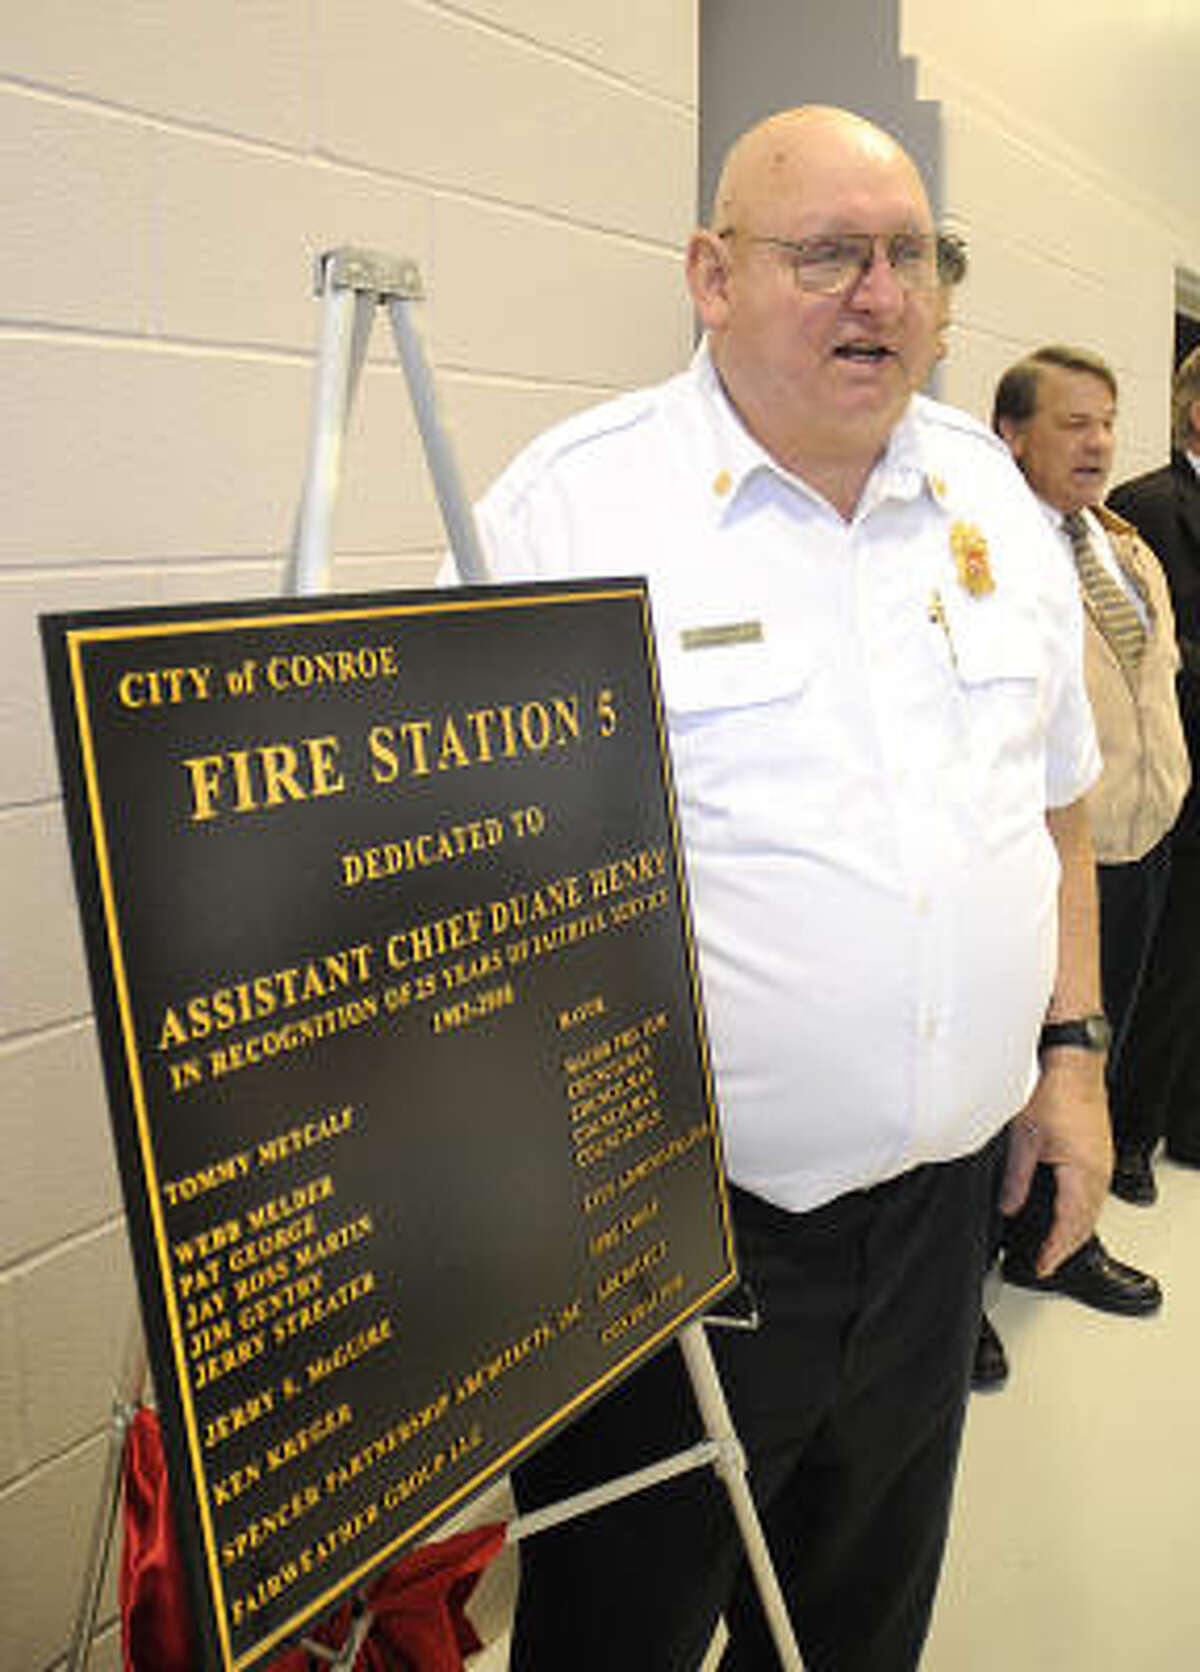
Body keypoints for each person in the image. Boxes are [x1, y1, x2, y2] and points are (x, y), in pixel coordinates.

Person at [461, 107, 1111, 1672]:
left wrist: (1072, 1063)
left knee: (855, 1627)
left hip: (941, 1223)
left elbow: (1059, 810)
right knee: (619, 1631)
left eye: (912, 257)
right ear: (710, 275)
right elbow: (466, 908)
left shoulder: (991, 508)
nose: (878, 294)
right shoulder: (568, 515)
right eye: (826, 253)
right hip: (673, 1262)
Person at [1106, 345, 1200, 1180]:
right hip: (1170, 770)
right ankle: (1131, 1134)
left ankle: (1187, 1118)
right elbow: (1145, 653)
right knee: (1165, 961)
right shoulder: (1145, 508)